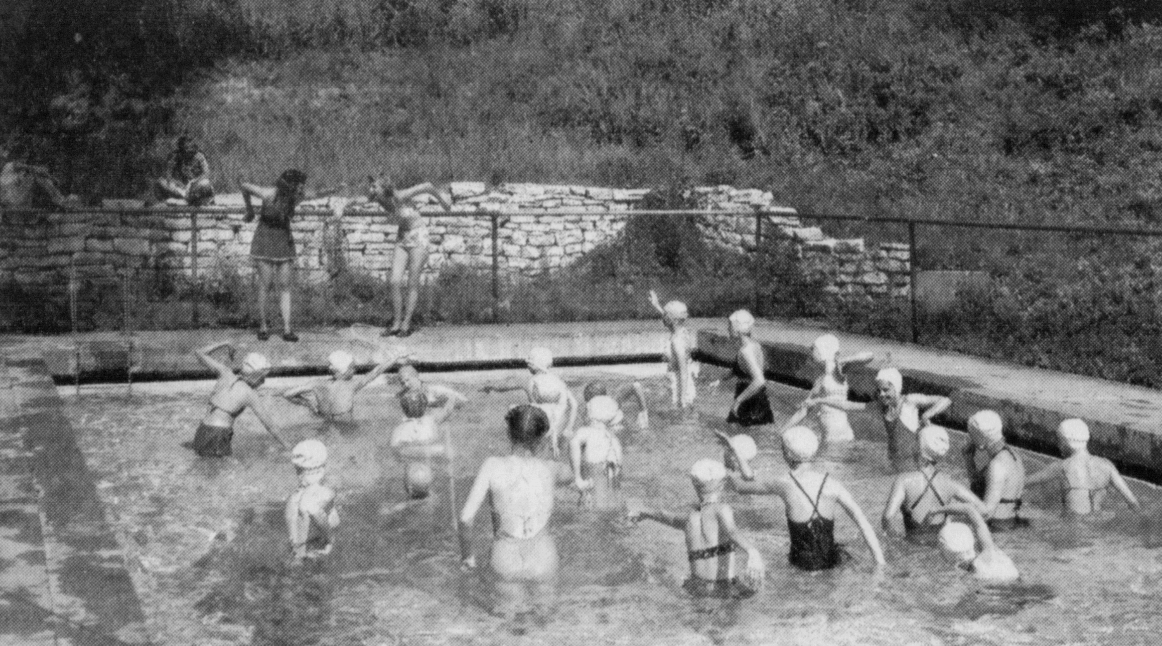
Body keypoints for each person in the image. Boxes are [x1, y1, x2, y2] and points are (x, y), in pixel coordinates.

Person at [458, 405, 575, 618]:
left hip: (506, 559)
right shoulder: (551, 469)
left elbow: (466, 518)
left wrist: (468, 558)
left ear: (508, 433)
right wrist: (557, 443)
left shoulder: (491, 465)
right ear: (542, 438)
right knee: (547, 622)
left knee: (508, 624)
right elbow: (571, 474)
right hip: (543, 558)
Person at [718, 426, 885, 571]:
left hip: (799, 565)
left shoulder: (783, 484)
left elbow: (741, 485)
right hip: (832, 562)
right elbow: (862, 522)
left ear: (787, 454)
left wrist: (730, 461)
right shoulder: (832, 484)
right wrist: (880, 563)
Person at [627, 459, 765, 598]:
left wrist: (645, 513)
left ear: (694, 485)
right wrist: (752, 551)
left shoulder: (689, 517)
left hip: (695, 587)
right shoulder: (721, 509)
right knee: (756, 594)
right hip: (723, 587)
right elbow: (732, 531)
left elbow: (666, 517)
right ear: (722, 484)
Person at [241, 169, 343, 342]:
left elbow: (316, 194)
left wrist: (333, 190)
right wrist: (250, 210)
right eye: (299, 186)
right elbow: (244, 186)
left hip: (283, 239)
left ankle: (287, 329)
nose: (302, 189)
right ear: (290, 185)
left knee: (285, 285)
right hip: (264, 239)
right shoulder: (268, 194)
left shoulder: (295, 197)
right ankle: (263, 326)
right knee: (265, 284)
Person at [351, 175, 452, 338]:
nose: (371, 189)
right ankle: (396, 323)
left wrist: (443, 202)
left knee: (412, 282)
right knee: (394, 281)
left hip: (418, 236)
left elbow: (427, 185)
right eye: (371, 186)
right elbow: (360, 200)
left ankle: (406, 323)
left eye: (374, 186)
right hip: (402, 237)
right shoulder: (378, 198)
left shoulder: (401, 195)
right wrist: (344, 204)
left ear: (384, 187)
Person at [812, 367, 951, 473]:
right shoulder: (882, 407)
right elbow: (848, 405)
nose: (881, 394)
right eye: (878, 391)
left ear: (896, 387)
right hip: (894, 462)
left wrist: (926, 415)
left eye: (886, 390)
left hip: (914, 465)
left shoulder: (909, 402)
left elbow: (945, 400)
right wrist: (821, 400)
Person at [882, 425, 985, 539]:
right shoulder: (950, 483)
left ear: (918, 448)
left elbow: (888, 517)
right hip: (940, 544)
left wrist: (896, 539)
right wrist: (951, 516)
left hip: (912, 544)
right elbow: (983, 510)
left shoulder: (903, 480)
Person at [189, 341, 288, 457]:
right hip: (218, 434)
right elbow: (270, 426)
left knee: (203, 464)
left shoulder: (225, 372)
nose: (263, 381)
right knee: (220, 468)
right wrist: (289, 447)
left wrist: (224, 343)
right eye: (262, 377)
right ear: (254, 375)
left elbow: (199, 353)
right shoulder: (250, 394)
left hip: (203, 429)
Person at [1025, 419, 1141, 517]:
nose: (1058, 446)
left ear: (1065, 442)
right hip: (1098, 522)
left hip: (1072, 525)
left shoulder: (1062, 467)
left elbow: (1024, 482)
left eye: (1059, 441)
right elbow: (1133, 503)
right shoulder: (1107, 466)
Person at [282, 345, 409, 433]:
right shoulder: (351, 385)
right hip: (346, 428)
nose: (354, 371)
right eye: (352, 368)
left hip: (325, 426)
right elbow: (376, 371)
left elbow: (287, 394)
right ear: (344, 370)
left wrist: (307, 403)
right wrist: (395, 359)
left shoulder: (317, 384)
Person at [779, 334, 873, 444]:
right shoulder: (820, 379)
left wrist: (845, 360)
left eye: (813, 348)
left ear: (823, 350)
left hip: (841, 435)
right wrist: (782, 431)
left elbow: (869, 356)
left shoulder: (838, 371)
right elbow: (804, 410)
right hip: (828, 437)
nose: (811, 351)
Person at [390, 387, 465, 499]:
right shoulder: (430, 422)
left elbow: (396, 451)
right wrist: (452, 396)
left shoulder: (399, 431)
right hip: (426, 454)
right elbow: (447, 411)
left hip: (411, 459)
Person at [964, 410, 1027, 531]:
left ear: (981, 438)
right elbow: (979, 485)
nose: (969, 438)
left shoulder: (997, 465)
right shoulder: (1013, 455)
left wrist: (954, 511)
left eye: (971, 435)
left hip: (996, 528)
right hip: (1010, 523)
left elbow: (987, 513)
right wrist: (968, 458)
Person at [930, 504, 1019, 582]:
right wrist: (937, 509)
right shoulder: (988, 550)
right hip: (1015, 582)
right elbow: (969, 509)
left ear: (945, 557)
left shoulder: (969, 577)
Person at [285, 439, 340, 564]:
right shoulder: (322, 493)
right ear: (322, 469)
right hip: (315, 550)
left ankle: (298, 559)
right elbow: (312, 510)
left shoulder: (293, 498)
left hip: (298, 553)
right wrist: (330, 540)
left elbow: (293, 535)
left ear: (298, 471)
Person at [570, 396, 624, 509]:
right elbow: (619, 463)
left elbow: (573, 443)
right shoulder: (612, 437)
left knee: (592, 506)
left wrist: (577, 477)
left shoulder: (585, 432)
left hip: (595, 473)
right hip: (610, 477)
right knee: (609, 507)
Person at [647, 291, 698, 411]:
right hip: (679, 384)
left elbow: (683, 371)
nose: (663, 317)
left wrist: (682, 400)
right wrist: (656, 305)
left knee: (681, 417)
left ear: (672, 320)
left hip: (679, 388)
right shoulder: (680, 331)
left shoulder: (677, 341)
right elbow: (671, 320)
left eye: (666, 315)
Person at [525, 347, 578, 458]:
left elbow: (533, 406)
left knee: (537, 454)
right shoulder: (558, 381)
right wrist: (569, 428)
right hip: (560, 421)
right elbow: (574, 404)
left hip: (543, 421)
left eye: (529, 361)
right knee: (557, 455)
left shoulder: (533, 382)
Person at [725, 310, 774, 428]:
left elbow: (759, 381)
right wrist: (720, 379)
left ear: (737, 328)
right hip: (758, 398)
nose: (728, 329)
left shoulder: (746, 351)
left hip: (748, 401)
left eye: (730, 326)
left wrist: (738, 401)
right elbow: (741, 369)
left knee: (737, 434)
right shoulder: (755, 345)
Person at [0, 141, 79, 210]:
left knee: (37, 178)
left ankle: (58, 201)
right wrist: (52, 178)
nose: (25, 160)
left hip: (12, 198)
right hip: (10, 198)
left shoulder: (18, 172)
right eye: (24, 157)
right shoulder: (12, 165)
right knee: (35, 177)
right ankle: (61, 201)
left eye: (26, 158)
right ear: (18, 156)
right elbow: (34, 169)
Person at [152, 136, 214, 206]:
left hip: (195, 186)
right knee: (160, 182)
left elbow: (206, 173)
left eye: (190, 147)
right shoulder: (175, 156)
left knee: (205, 183)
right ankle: (186, 200)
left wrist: (193, 182)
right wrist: (177, 182)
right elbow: (168, 174)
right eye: (185, 148)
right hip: (180, 187)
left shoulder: (199, 156)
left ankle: (186, 200)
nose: (188, 150)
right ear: (180, 149)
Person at [581, 380, 649, 433]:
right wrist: (643, 414)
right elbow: (636, 385)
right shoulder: (612, 401)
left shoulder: (589, 407)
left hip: (605, 432)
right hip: (620, 430)